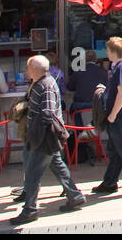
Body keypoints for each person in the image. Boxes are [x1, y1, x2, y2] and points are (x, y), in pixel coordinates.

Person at [11, 55, 83, 225]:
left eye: (28, 67)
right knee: (57, 165)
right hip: (41, 136)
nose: (27, 70)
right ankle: (75, 195)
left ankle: (30, 210)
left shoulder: (46, 85)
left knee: (32, 173)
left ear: (35, 69)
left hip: (43, 137)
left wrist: (37, 134)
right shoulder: (40, 83)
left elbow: (48, 113)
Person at [91, 36, 122, 195]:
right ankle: (109, 182)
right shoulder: (118, 66)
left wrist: (113, 114)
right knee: (115, 150)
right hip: (116, 115)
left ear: (113, 51)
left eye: (108, 50)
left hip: (119, 116)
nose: (106, 52)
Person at [66, 49, 106, 127]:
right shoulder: (103, 71)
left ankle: (80, 131)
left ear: (84, 60)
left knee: (72, 110)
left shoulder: (78, 71)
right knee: (100, 112)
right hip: (97, 103)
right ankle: (92, 128)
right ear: (96, 59)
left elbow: (70, 87)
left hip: (79, 103)